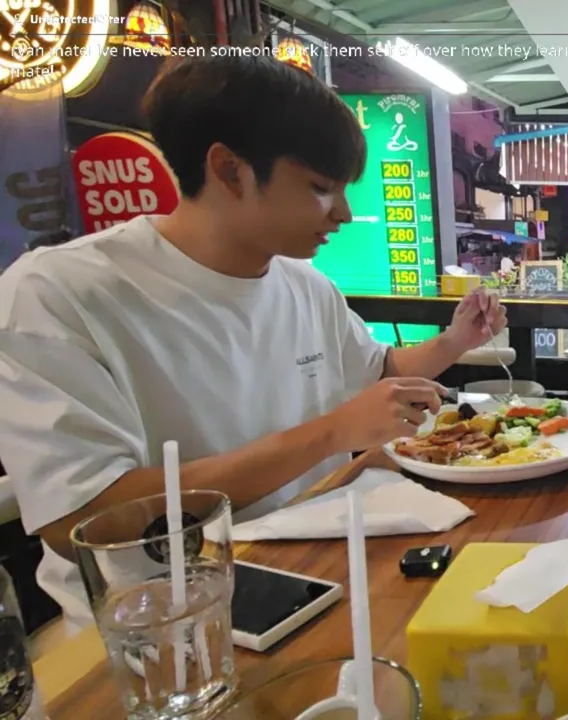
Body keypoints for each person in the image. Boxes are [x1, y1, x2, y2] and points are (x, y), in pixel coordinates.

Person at [0, 56, 507, 631]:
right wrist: (331, 433)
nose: (343, 213)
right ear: (230, 170)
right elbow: (84, 519)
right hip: (153, 628)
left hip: (312, 574)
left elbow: (377, 372)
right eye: (321, 188)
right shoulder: (57, 293)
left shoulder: (304, 285)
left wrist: (456, 340)